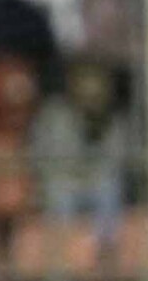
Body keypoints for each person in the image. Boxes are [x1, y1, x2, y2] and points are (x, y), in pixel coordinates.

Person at [29, 57, 132, 254]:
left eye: (96, 88)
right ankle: (61, 258)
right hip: (62, 183)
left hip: (96, 184)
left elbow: (116, 164)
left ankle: (105, 253)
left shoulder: (115, 121)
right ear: (74, 86)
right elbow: (43, 159)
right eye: (85, 85)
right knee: (59, 193)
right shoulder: (54, 114)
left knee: (110, 189)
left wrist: (96, 129)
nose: (90, 93)